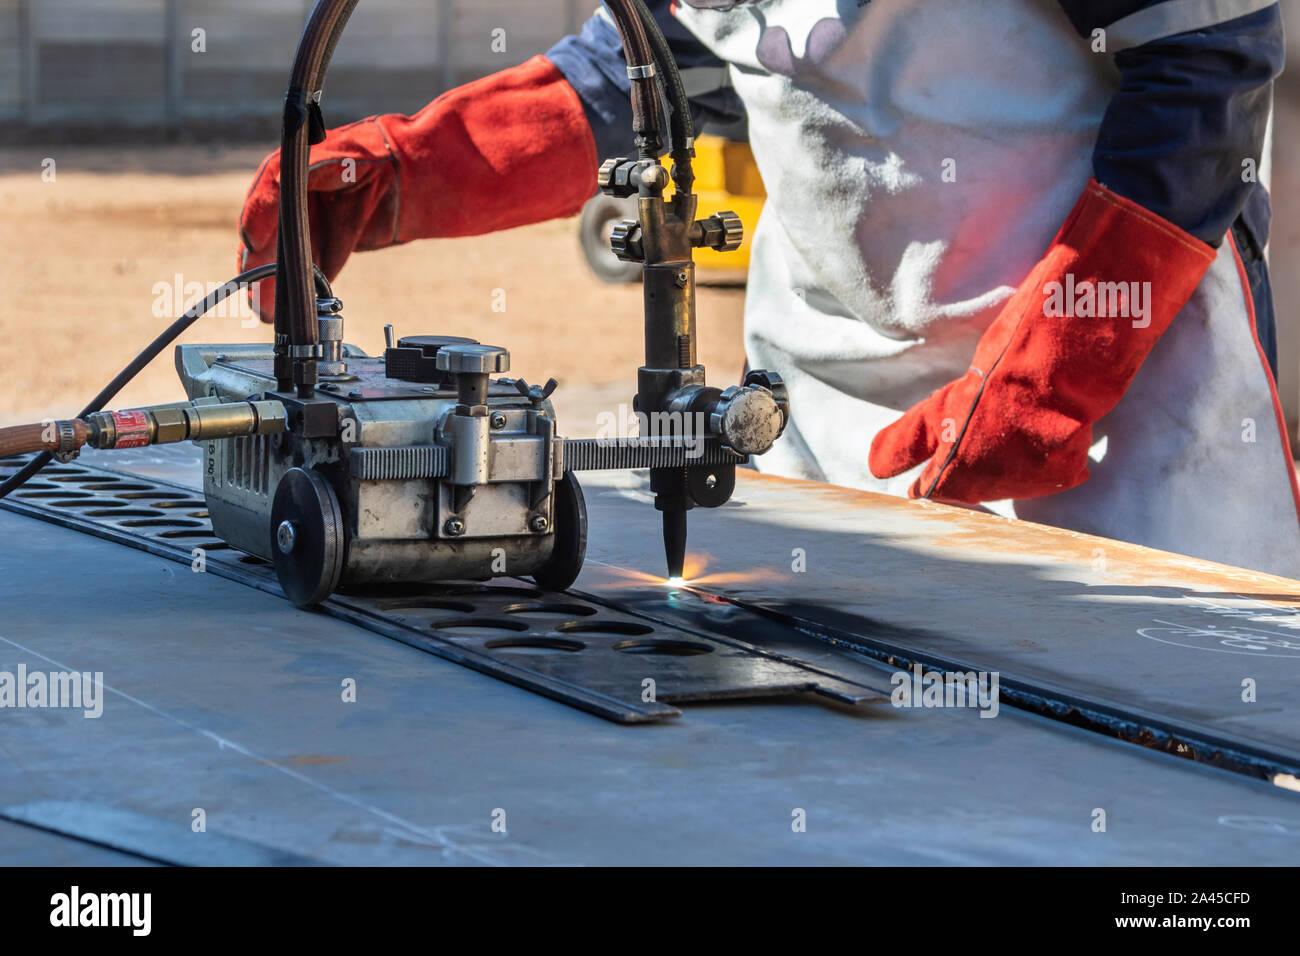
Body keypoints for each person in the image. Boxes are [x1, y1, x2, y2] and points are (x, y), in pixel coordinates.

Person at [239, 0, 1299, 577]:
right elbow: (648, 72)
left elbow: (1203, 73)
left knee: (1142, 766)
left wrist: (1051, 372)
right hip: (829, 406)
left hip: (1121, 413)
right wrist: (410, 169)